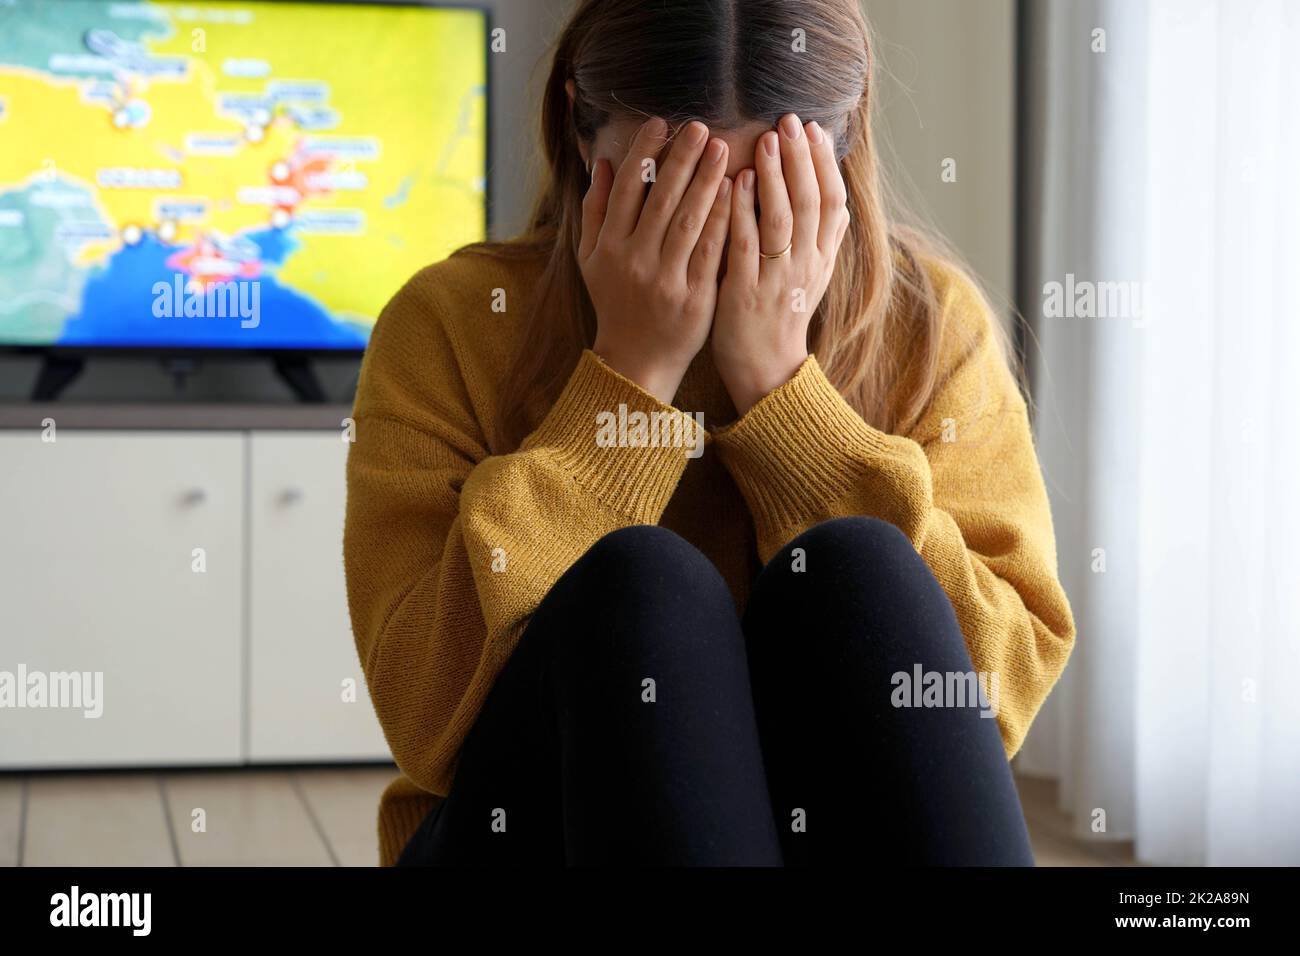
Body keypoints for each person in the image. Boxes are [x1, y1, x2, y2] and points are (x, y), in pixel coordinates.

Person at [343, 0, 1075, 867]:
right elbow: (424, 722)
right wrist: (630, 381)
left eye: (765, 197)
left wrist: (782, 392)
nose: (715, 242)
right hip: (526, 836)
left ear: (837, 159)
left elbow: (993, 708)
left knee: (867, 566)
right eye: (670, 193)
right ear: (585, 136)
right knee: (642, 587)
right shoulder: (450, 325)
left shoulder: (930, 329)